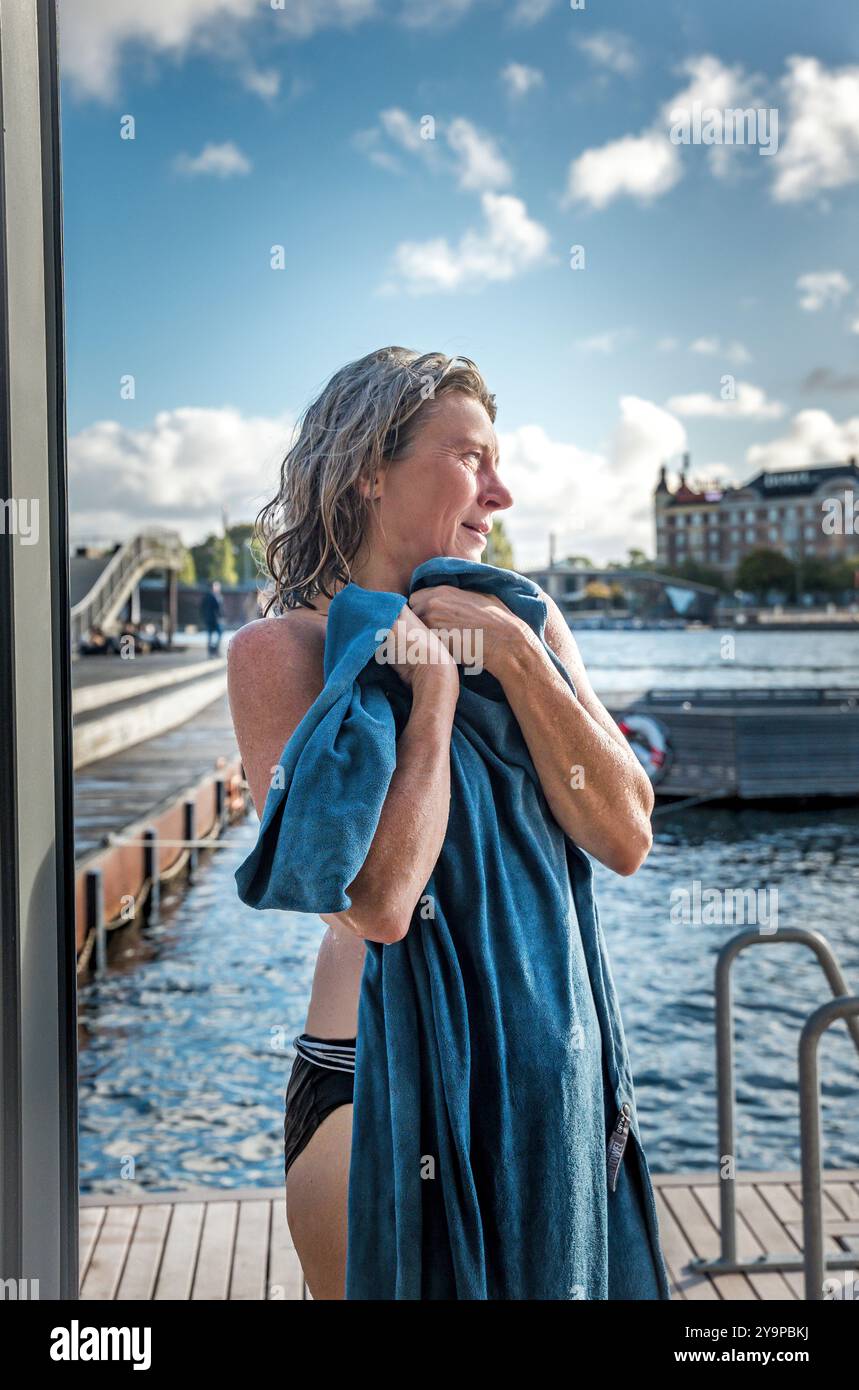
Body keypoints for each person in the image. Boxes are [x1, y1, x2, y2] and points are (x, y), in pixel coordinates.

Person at [227, 347, 666, 1300]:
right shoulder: (281, 654)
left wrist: (509, 653)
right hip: (370, 1079)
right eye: (470, 457)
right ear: (366, 470)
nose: (499, 492)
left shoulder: (527, 623)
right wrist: (429, 692)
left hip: (549, 1077)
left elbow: (625, 835)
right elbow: (375, 904)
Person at [200, 581, 223, 656]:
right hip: (213, 620)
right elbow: (217, 608)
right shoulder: (213, 597)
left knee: (211, 635)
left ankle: (212, 651)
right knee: (218, 633)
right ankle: (214, 650)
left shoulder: (207, 596)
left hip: (209, 619)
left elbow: (201, 608)